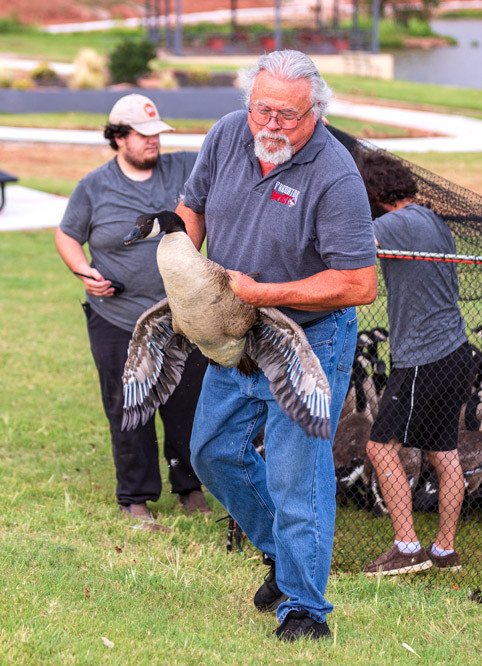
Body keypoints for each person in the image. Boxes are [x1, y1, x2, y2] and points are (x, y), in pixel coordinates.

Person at [175, 50, 377, 642]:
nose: (271, 126)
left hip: (308, 339)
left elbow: (359, 283)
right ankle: (285, 556)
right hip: (234, 331)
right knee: (210, 450)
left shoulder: (335, 176)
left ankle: (305, 610)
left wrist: (264, 292)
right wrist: (187, 277)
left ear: (314, 112)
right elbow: (193, 209)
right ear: (248, 102)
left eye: (287, 115)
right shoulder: (225, 137)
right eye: (262, 110)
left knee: (297, 471)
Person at [55, 94, 211, 523]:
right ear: (119, 137)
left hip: (179, 315)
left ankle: (189, 487)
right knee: (129, 405)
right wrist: (85, 271)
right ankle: (136, 497)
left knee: (186, 404)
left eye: (157, 134)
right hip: (116, 319)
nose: (153, 142)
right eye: (143, 135)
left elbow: (225, 160)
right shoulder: (94, 187)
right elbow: (67, 235)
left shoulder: (182, 169)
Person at [357, 149, 476, 576]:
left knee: (379, 447)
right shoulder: (430, 219)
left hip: (423, 356)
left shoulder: (393, 224)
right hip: (457, 351)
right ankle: (445, 551)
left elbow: (356, 242)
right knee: (443, 452)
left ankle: (407, 548)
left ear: (371, 193)